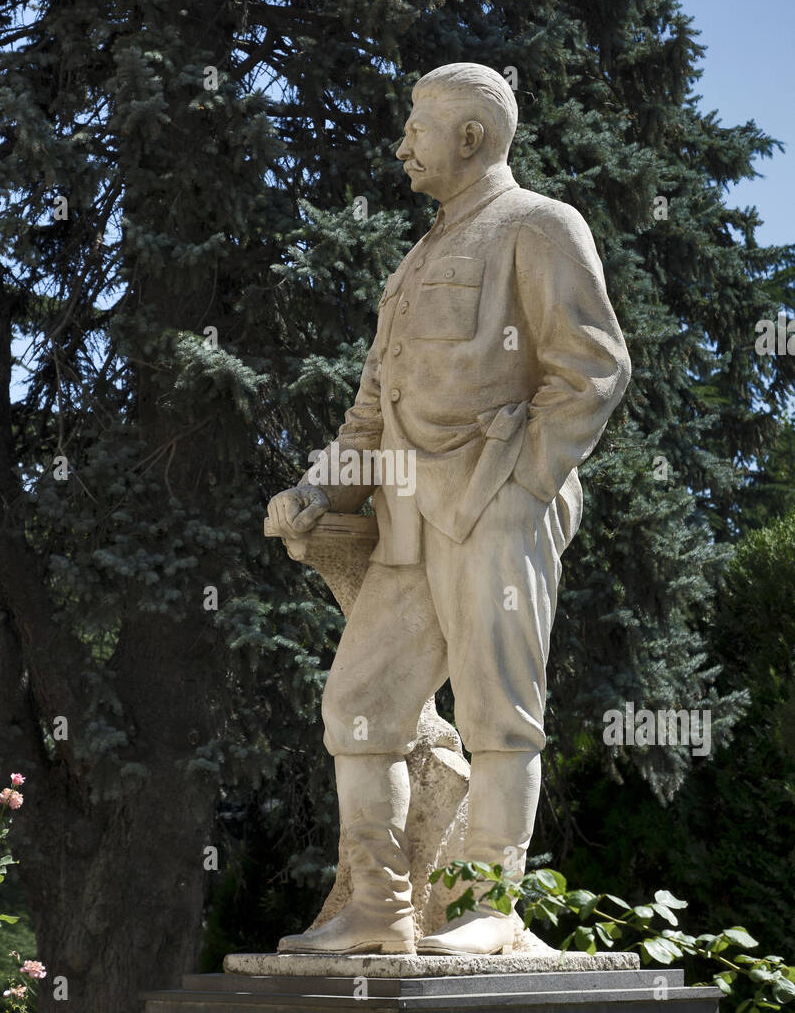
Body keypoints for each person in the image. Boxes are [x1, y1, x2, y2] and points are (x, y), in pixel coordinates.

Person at [267, 62, 631, 955]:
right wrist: (318, 492)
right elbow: (368, 410)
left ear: (470, 136)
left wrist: (526, 486)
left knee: (498, 712)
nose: (402, 144)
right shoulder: (415, 258)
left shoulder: (539, 225)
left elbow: (593, 369)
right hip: (405, 520)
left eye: (417, 127)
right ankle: (380, 909)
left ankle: (491, 910)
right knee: (358, 705)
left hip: (494, 502)